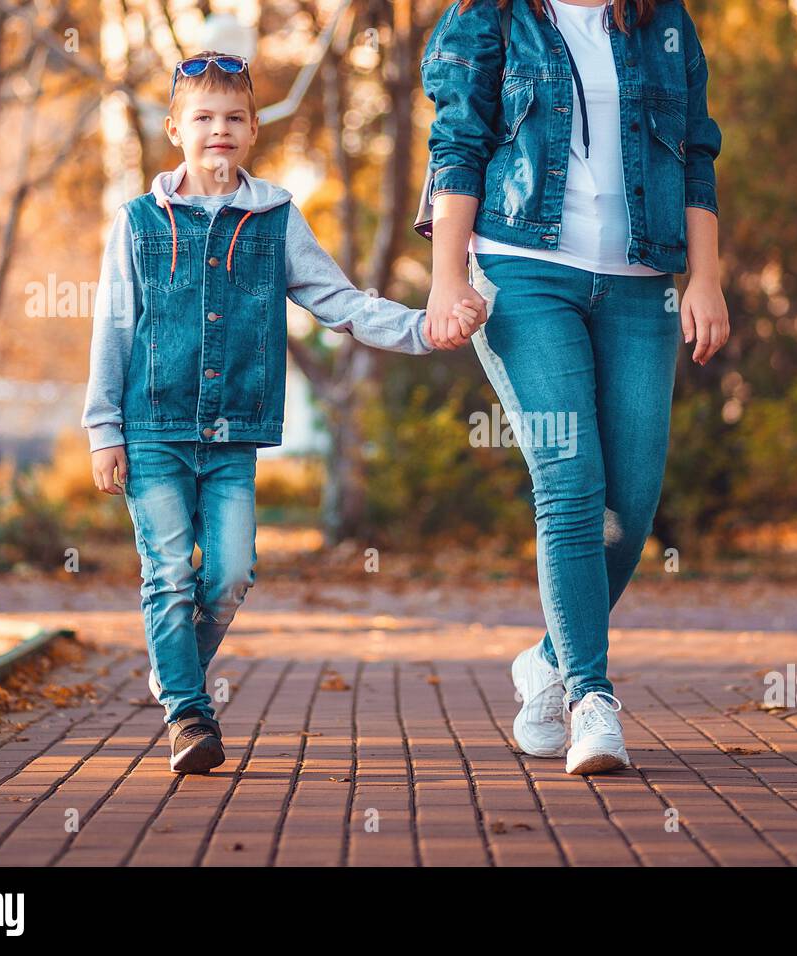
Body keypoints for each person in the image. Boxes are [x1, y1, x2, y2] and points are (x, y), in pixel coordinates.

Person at [82, 51, 483, 774]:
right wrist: (102, 428)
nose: (219, 130)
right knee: (167, 574)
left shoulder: (275, 220)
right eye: (202, 118)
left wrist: (423, 328)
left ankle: (175, 667)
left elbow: (341, 301)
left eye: (234, 117)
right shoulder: (138, 221)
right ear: (176, 128)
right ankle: (187, 711)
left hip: (233, 434)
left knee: (232, 574)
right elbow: (112, 326)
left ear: (253, 129)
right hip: (151, 430)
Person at [421, 0, 728, 774]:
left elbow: (696, 151)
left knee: (630, 510)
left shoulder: (663, 22)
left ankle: (547, 660)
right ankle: (592, 697)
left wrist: (707, 279)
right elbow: (458, 144)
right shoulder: (489, 16)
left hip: (641, 283)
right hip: (522, 271)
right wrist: (445, 280)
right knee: (570, 481)